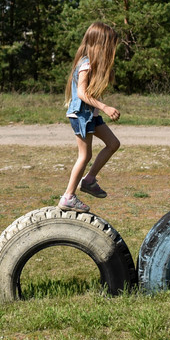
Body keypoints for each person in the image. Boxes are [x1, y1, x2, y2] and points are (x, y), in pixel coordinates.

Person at [60, 21, 121, 213]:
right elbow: (82, 93)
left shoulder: (93, 64)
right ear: (99, 44)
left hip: (90, 116)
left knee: (113, 143)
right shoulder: (85, 63)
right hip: (81, 115)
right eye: (109, 45)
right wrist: (105, 107)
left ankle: (89, 180)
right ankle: (68, 196)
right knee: (85, 155)